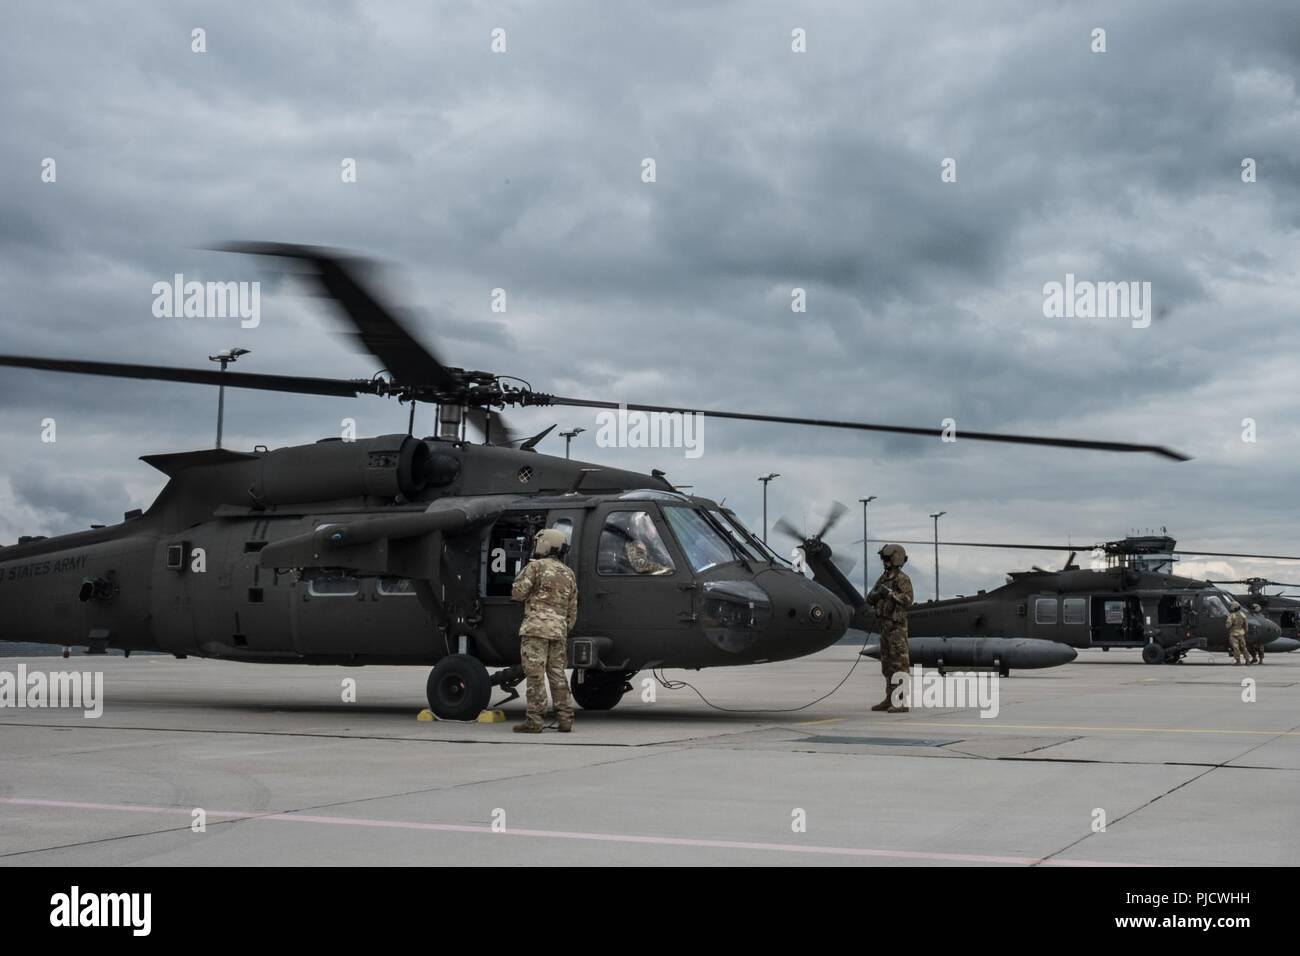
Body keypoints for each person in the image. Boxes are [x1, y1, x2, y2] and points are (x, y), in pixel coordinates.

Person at [511, 528, 578, 733]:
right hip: (558, 631)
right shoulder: (568, 573)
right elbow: (572, 610)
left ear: (546, 544)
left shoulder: (536, 567)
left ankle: (535, 721)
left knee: (535, 675)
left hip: (535, 630)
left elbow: (518, 593)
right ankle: (566, 719)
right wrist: (561, 627)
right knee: (557, 674)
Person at [866, 543, 914, 712]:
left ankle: (901, 701)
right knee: (887, 664)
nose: (884, 561)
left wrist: (891, 595)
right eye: (883, 559)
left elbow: (908, 600)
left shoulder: (902, 579)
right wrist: (877, 595)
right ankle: (890, 698)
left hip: (896, 628)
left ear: (896, 559)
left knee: (899, 664)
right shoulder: (883, 579)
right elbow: (869, 598)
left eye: (887, 558)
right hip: (885, 627)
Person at [1224, 600, 1249, 665]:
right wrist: (1245, 631)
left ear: (1234, 607)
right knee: (1244, 647)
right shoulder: (1243, 614)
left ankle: (1238, 661)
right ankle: (1247, 660)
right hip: (1241, 633)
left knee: (1236, 647)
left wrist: (1227, 626)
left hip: (1234, 633)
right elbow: (1246, 625)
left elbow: (1228, 625)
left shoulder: (1231, 615)